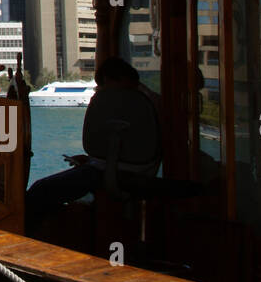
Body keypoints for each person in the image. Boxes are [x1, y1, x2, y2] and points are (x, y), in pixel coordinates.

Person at [24, 56, 160, 233]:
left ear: (111, 79)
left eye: (102, 85)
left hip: (113, 173)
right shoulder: (148, 100)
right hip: (120, 170)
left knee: (39, 191)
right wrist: (91, 159)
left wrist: (97, 162)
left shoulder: (129, 102)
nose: (99, 90)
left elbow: (123, 151)